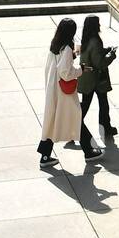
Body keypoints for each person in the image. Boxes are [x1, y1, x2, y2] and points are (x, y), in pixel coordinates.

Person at [38, 18, 102, 166]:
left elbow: (57, 65)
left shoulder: (55, 45)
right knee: (76, 115)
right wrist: (81, 70)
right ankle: (89, 151)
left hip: (54, 89)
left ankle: (46, 155)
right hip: (63, 92)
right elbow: (66, 73)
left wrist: (73, 54)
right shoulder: (66, 49)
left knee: (54, 120)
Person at [78, 15, 118, 146]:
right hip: (95, 80)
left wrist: (105, 50)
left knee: (98, 103)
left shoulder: (87, 39)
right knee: (91, 105)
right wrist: (111, 55)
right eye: (98, 23)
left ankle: (106, 127)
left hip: (88, 79)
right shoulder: (95, 40)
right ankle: (74, 125)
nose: (100, 25)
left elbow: (94, 54)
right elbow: (99, 63)